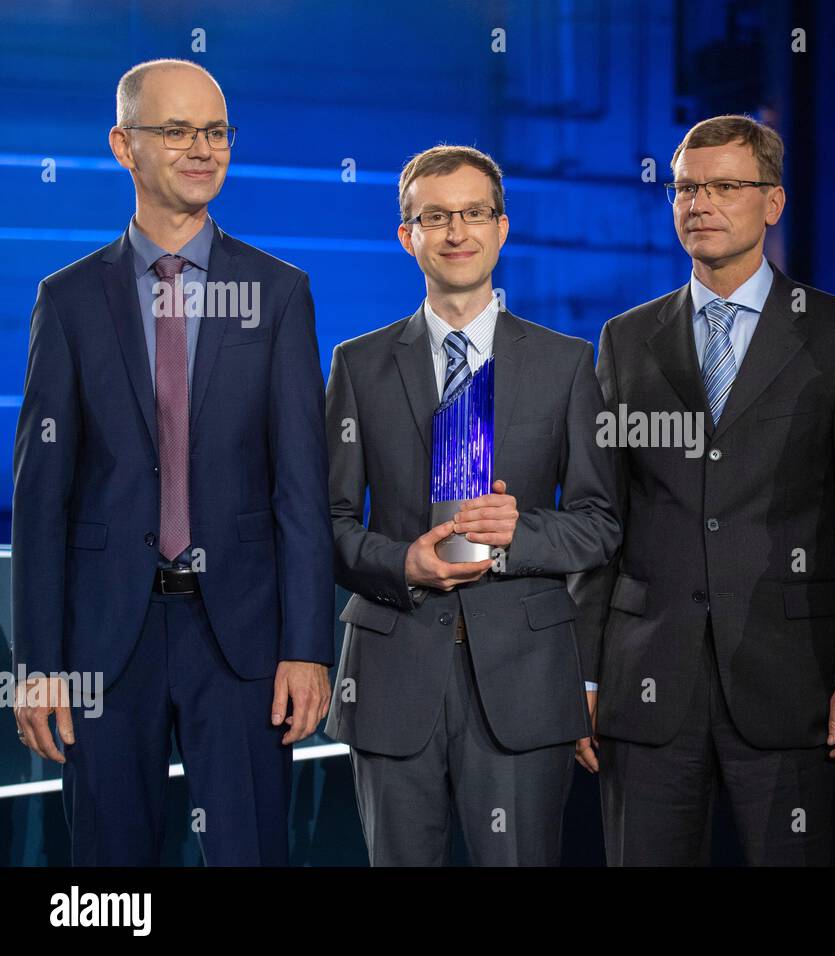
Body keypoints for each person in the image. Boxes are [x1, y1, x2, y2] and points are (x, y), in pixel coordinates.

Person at [11, 59, 334, 865]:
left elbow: (301, 488)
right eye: (178, 130)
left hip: (245, 641)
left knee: (248, 853)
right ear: (124, 145)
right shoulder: (70, 299)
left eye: (216, 131)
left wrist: (309, 645)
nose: (203, 148)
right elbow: (41, 497)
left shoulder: (281, 292)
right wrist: (39, 665)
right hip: (106, 641)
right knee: (110, 874)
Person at [574, 114, 835, 865]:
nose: (700, 203)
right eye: (687, 188)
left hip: (797, 682)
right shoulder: (627, 337)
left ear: (773, 201)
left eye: (725, 186)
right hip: (648, 680)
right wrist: (584, 671)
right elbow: (605, 512)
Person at [323, 145, 620, 866]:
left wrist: (520, 536)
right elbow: (325, 526)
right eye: (436, 216)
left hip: (524, 677)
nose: (457, 231)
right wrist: (405, 562)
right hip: (393, 675)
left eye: (474, 213)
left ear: (502, 227)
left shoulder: (567, 363)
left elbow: (600, 523)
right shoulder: (358, 366)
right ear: (408, 235)